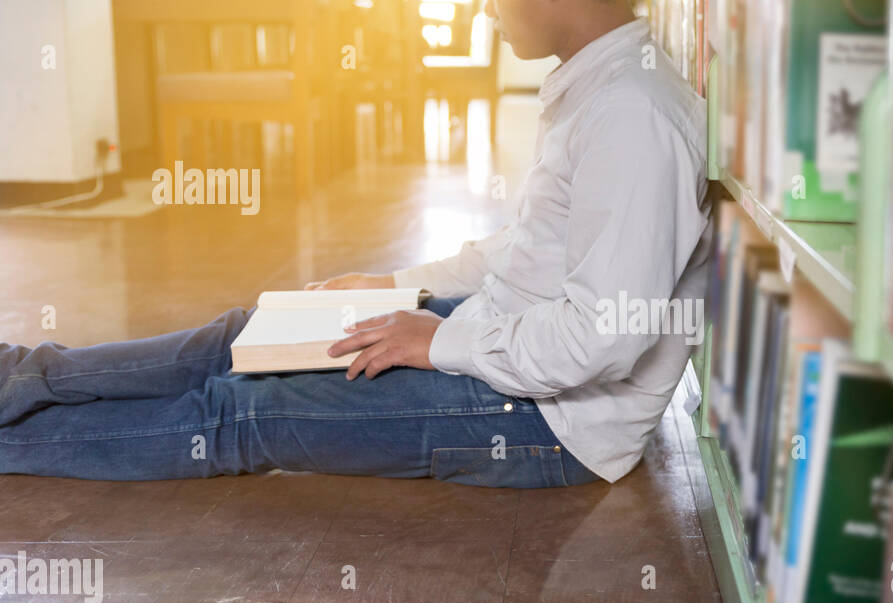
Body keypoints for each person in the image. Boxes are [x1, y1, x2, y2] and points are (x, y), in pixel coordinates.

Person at [0, 0, 710, 488]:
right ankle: (23, 376)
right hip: (504, 337)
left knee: (244, 411)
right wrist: (397, 285)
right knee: (250, 334)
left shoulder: (633, 116)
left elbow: (601, 338)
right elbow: (526, 249)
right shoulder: (604, 87)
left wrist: (436, 340)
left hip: (550, 423)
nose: (480, 7)